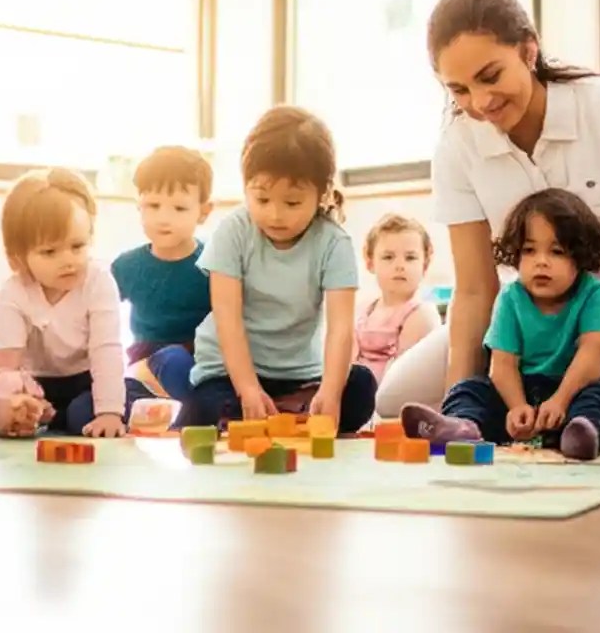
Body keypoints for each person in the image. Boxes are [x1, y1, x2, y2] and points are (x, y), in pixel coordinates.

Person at [375, 0, 600, 444]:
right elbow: (476, 287)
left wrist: (586, 336)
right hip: (525, 311)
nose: (480, 102)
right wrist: (458, 403)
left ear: (528, 51)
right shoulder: (458, 146)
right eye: (459, 89)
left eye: (490, 76)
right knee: (395, 399)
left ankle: (575, 403)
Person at [187, 105, 376, 432]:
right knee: (210, 406)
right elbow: (227, 319)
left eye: (292, 203)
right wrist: (248, 388)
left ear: (322, 193)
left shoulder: (333, 243)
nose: (275, 215)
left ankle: (285, 410)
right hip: (229, 372)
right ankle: (277, 412)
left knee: (360, 388)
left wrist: (330, 393)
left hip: (301, 375)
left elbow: (341, 328)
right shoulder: (232, 232)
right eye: (261, 200)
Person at [400, 189, 600, 460]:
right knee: (469, 389)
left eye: (557, 251)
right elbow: (502, 364)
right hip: (517, 390)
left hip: (568, 390)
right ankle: (461, 426)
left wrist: (560, 400)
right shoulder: (511, 297)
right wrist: (516, 407)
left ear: (581, 256)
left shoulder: (594, 294)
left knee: (598, 397)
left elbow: (594, 352)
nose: (541, 261)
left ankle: (580, 434)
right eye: (529, 250)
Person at [0, 168, 128, 438]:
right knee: (3, 414)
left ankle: (79, 412)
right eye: (49, 251)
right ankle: (46, 417)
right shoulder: (14, 291)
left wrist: (109, 411)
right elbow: (6, 362)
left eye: (78, 246)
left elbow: (106, 351)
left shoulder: (98, 281)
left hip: (88, 380)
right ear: (18, 258)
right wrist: (17, 398)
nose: (68, 260)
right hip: (40, 382)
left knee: (82, 417)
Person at [113, 146, 213, 416]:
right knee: (101, 405)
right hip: (143, 365)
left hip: (198, 360)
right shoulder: (127, 265)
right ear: (139, 207)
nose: (163, 218)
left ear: (203, 212)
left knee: (174, 361)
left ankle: (194, 416)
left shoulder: (213, 263)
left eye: (179, 208)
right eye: (153, 206)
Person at [354, 213, 440, 383]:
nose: (400, 266)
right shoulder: (364, 309)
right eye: (388, 257)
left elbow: (405, 376)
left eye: (410, 258)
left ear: (425, 264)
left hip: (393, 400)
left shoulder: (421, 314)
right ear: (370, 262)